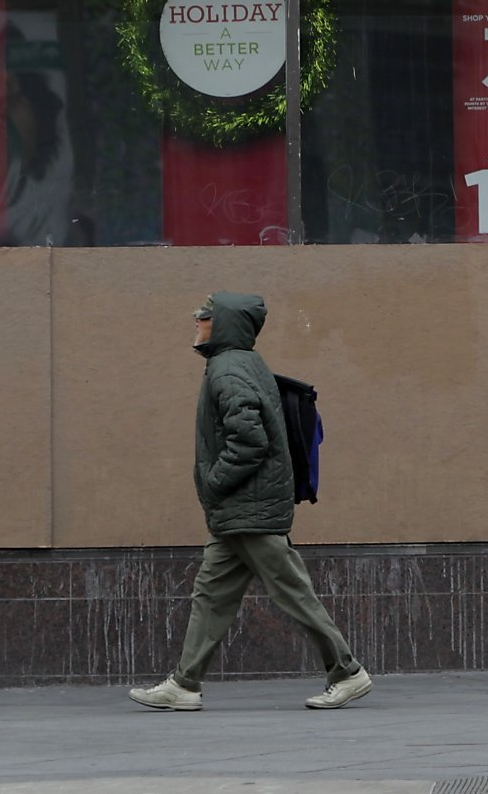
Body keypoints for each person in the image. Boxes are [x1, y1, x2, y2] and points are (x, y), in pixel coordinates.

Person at [131, 291, 372, 712]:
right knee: (211, 595)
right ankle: (184, 684)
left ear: (223, 324)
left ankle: (347, 672)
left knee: (292, 592)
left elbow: (249, 440)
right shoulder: (242, 363)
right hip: (239, 511)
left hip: (249, 508)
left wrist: (213, 483)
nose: (197, 323)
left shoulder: (227, 370)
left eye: (204, 317)